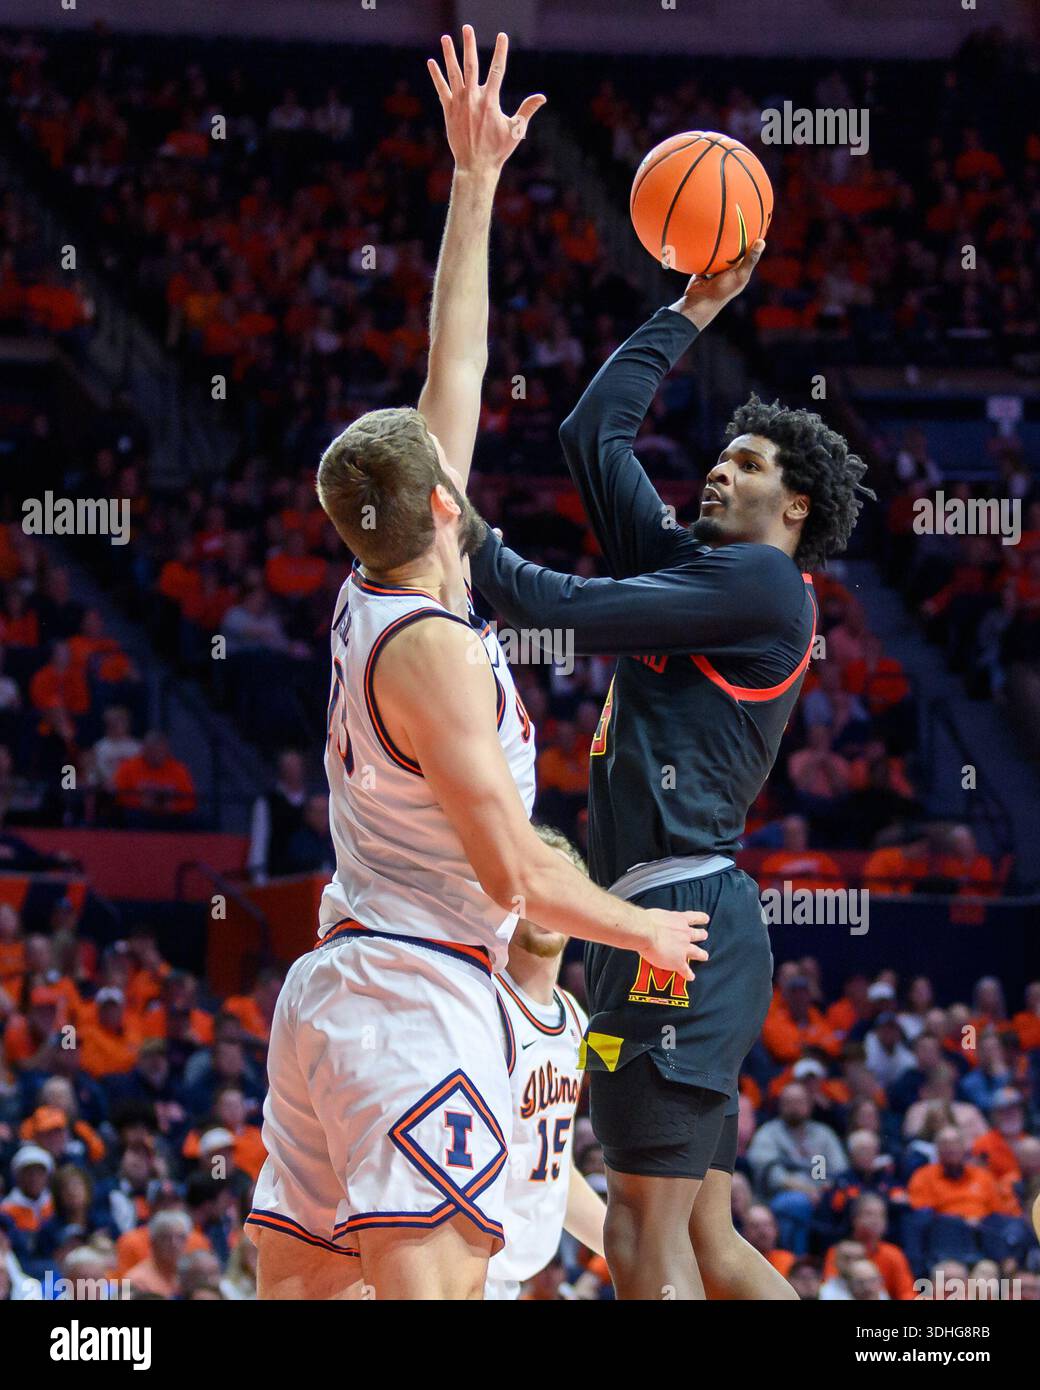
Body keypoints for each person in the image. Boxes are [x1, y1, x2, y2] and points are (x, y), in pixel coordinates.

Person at [245, 26, 707, 1304]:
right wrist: (638, 927)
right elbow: (511, 874)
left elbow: (454, 360)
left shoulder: (371, 581)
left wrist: (476, 181)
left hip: (338, 990)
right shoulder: (434, 654)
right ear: (446, 506)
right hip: (414, 996)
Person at [469, 214, 873, 1299]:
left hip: (672, 923)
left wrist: (455, 531)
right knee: (701, 1237)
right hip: (673, 922)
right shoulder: (703, 567)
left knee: (645, 1235)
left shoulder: (761, 585)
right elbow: (588, 434)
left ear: (792, 505)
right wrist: (693, 308)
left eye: (743, 463)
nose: (714, 470)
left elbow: (550, 601)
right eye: (719, 452)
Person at [484, 826, 606, 1300]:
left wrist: (627, 1251)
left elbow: (553, 1170)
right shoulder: (481, 1005)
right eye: (531, 885)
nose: (547, 900)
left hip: (508, 1280)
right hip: (457, 1269)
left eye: (562, 885)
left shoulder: (575, 1019)